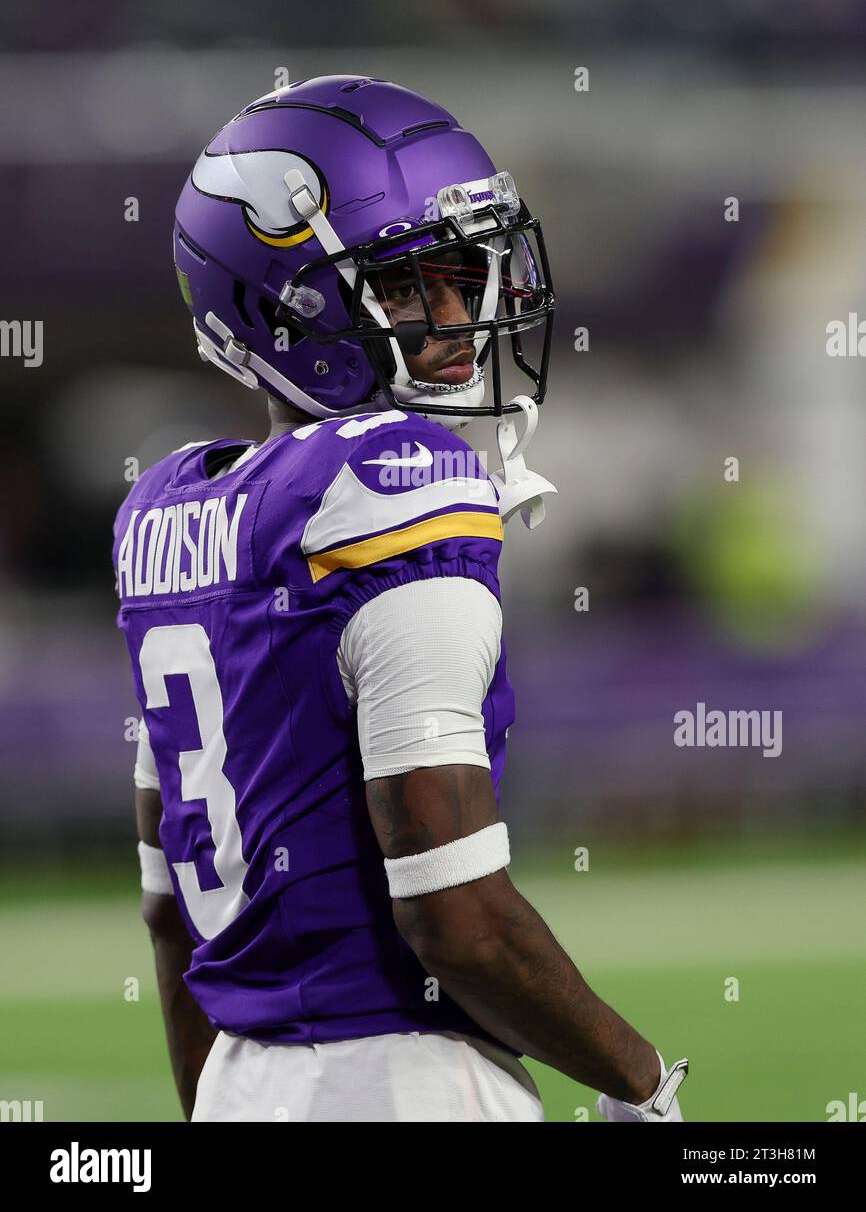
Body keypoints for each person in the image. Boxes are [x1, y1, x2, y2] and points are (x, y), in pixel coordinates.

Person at [112, 74, 688, 1122]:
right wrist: (637, 1079)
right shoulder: (395, 483)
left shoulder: (165, 515)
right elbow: (455, 918)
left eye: (469, 276)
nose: (463, 318)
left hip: (242, 1082)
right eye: (415, 283)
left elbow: (170, 918)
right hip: (404, 1082)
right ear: (286, 305)